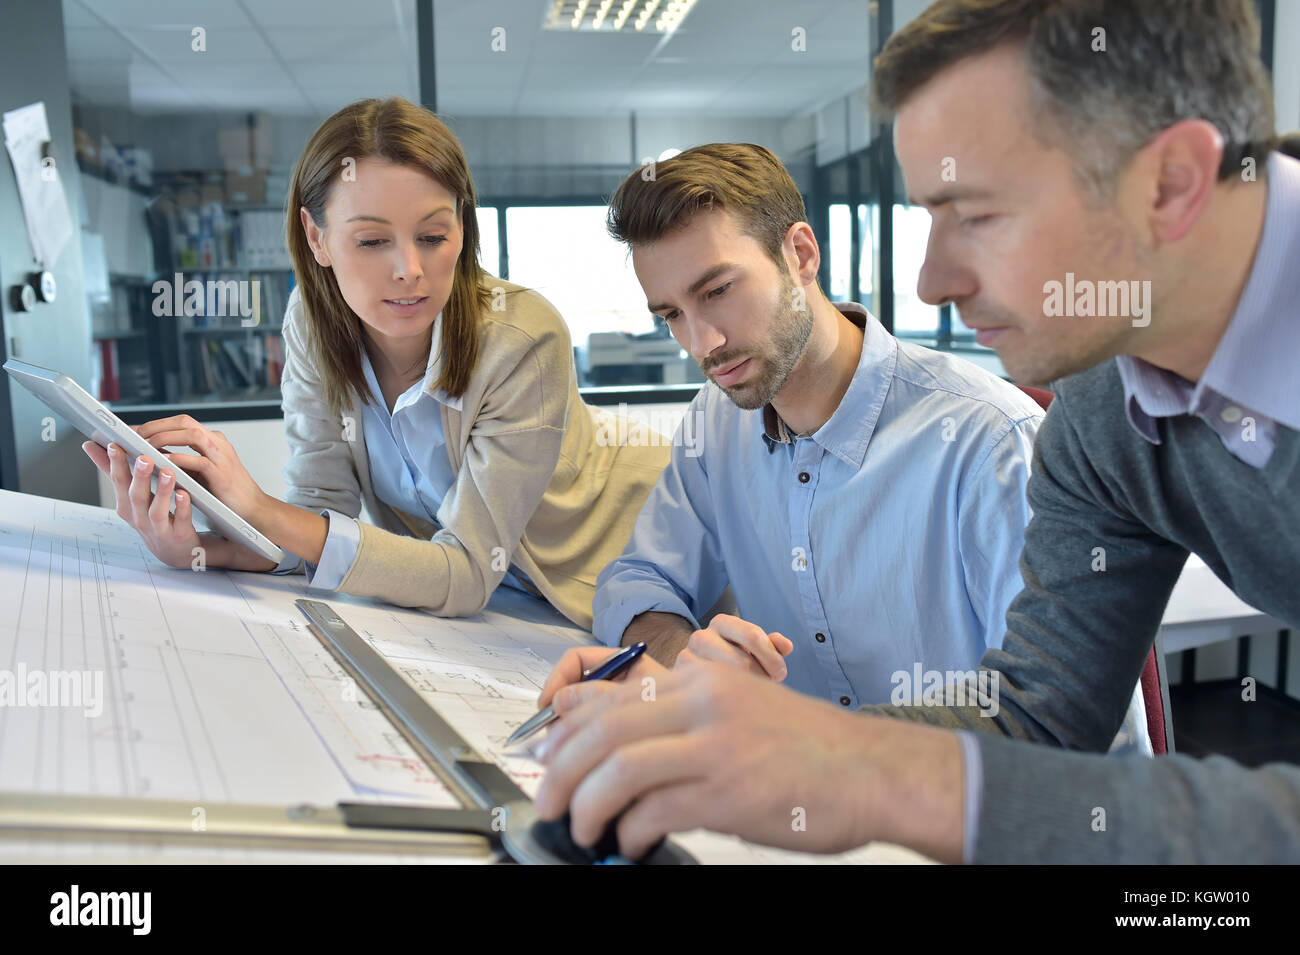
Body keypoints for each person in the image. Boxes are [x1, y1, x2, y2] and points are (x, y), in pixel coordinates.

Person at [528, 0, 1300, 863]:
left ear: (1171, 183)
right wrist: (746, 732)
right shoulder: (1101, 411)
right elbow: (1041, 718)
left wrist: (851, 768)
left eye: (976, 214)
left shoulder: (1000, 430)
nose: (929, 282)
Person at [83, 97, 670, 630]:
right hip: (501, 606)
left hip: (629, 565)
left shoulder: (519, 338)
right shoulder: (311, 324)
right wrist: (198, 546)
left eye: (433, 236)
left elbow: (465, 574)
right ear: (316, 239)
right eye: (371, 241)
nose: (409, 269)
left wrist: (256, 506)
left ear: (462, 229)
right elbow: (317, 519)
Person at [559, 143, 1081, 722]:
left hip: (950, 802)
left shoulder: (991, 444)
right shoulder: (716, 421)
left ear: (800, 255)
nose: (701, 344)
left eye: (717, 291)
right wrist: (683, 656)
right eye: (672, 315)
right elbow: (638, 580)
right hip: (779, 790)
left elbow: (1068, 730)